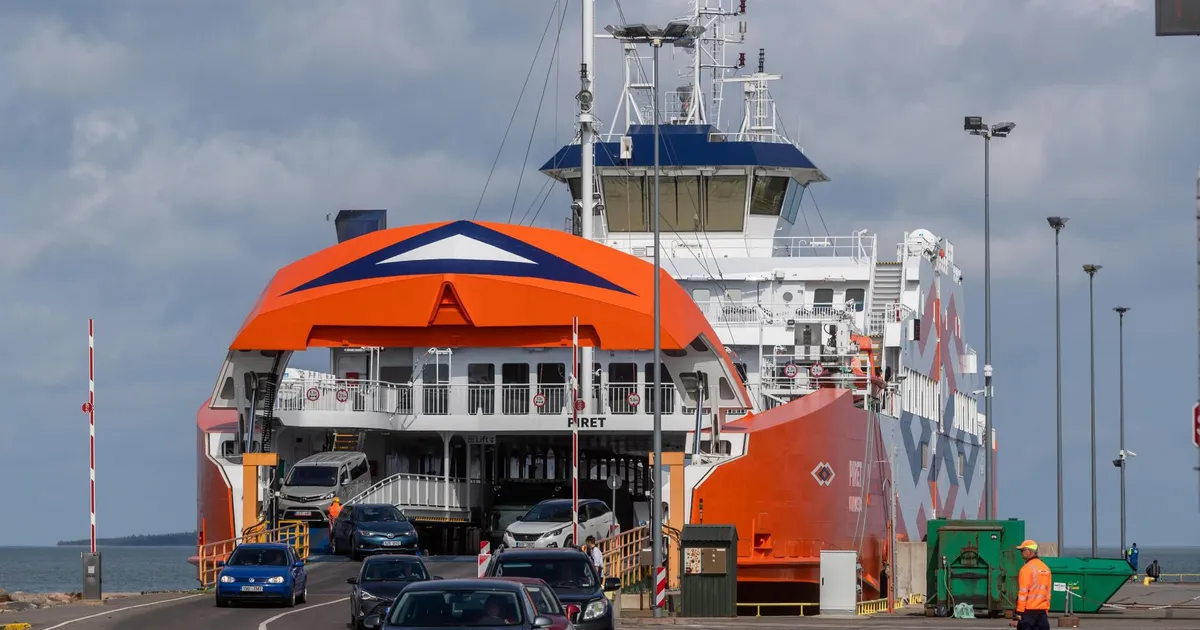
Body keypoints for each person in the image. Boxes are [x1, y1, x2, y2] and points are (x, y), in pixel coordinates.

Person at [1013, 540, 1051, 630]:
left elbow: (1023, 593)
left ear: (1029, 551)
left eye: (1023, 550)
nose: (1021, 553)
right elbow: (1048, 593)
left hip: (1028, 614)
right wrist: (1046, 610)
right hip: (1042, 615)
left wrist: (1018, 614)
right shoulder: (1046, 568)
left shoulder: (1026, 569)